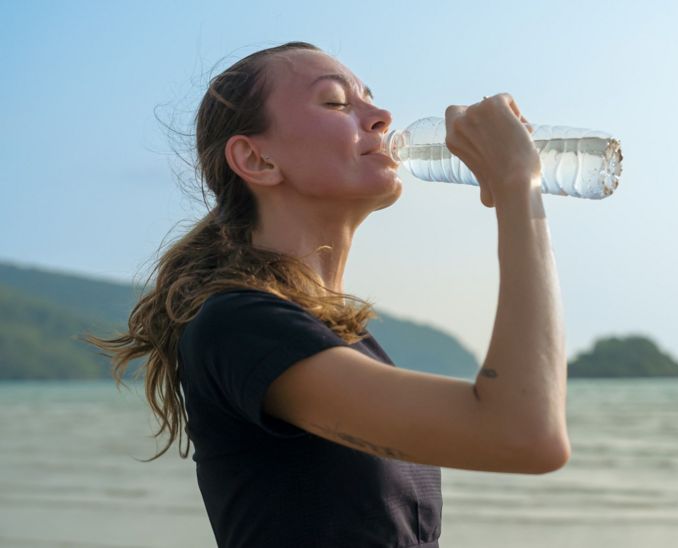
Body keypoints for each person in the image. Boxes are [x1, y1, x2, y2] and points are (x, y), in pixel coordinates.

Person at [86, 41, 569, 547]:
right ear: (256, 158)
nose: (382, 117)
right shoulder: (239, 325)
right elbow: (524, 434)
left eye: (370, 99)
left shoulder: (334, 338)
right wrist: (518, 187)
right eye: (336, 102)